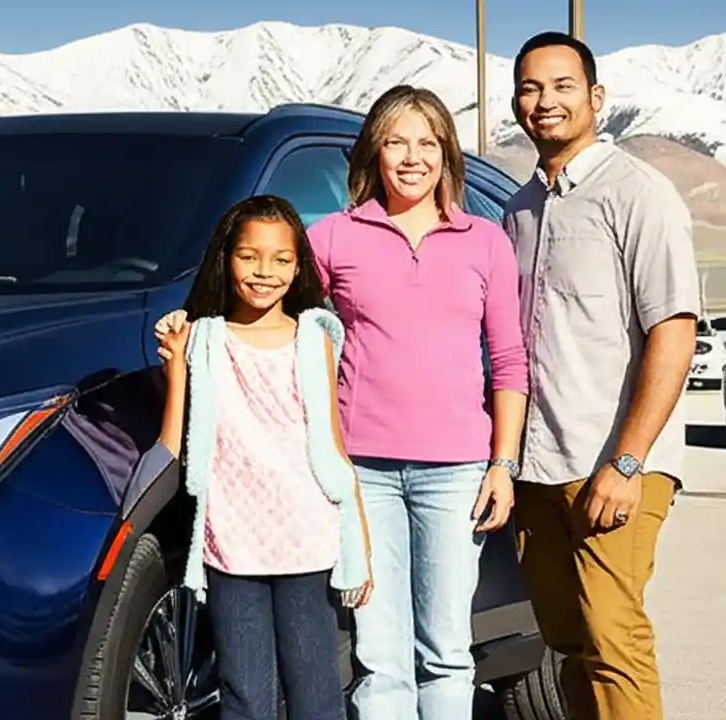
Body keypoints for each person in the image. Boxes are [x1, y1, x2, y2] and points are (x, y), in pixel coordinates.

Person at [157, 85, 529, 720]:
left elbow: (510, 360)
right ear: (374, 154)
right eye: (395, 142)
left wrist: (503, 463)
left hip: (457, 471)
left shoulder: (484, 241)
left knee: (445, 652)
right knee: (379, 657)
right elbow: (269, 301)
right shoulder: (332, 237)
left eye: (427, 143)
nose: (412, 158)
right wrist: (189, 330)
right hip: (361, 475)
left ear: (446, 154)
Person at [503, 31, 701, 720]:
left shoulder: (639, 194)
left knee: (614, 638)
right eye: (530, 88)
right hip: (537, 467)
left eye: (561, 86)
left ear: (596, 99)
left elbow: (674, 331)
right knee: (567, 642)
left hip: (614, 462)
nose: (544, 101)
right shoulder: (520, 208)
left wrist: (628, 460)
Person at [155, 194, 374, 720]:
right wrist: (176, 368)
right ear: (225, 258)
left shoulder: (311, 338)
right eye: (249, 256)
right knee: (245, 695)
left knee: (315, 693)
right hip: (232, 543)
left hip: (306, 538)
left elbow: (332, 447)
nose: (264, 272)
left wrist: (357, 538)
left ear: (299, 267)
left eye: (281, 259)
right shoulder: (204, 339)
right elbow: (173, 445)